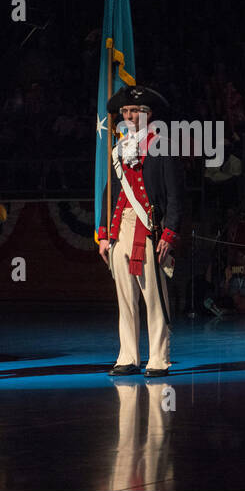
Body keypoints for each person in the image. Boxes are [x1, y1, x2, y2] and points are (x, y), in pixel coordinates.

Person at [97, 84, 185, 377]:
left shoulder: (163, 145)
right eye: (125, 111)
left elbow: (175, 195)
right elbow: (111, 193)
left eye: (134, 110)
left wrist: (170, 233)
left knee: (155, 297)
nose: (129, 115)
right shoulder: (118, 149)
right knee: (125, 297)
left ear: (148, 114)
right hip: (121, 228)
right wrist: (104, 234)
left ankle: (159, 358)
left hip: (149, 229)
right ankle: (128, 356)